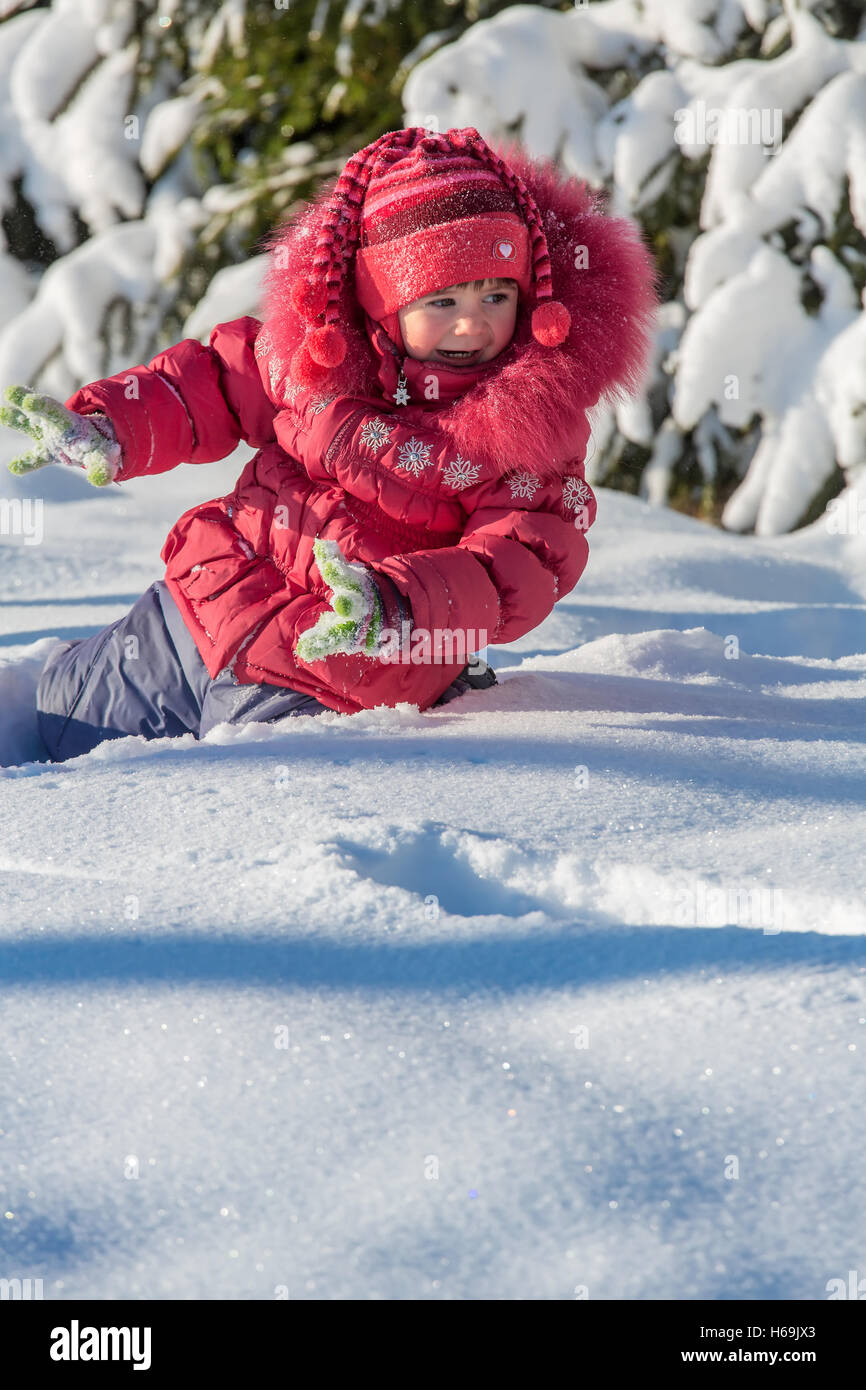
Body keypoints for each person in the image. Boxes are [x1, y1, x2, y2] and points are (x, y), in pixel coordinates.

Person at [1, 125, 659, 762]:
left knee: (192, 807)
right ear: (380, 302)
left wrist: (399, 606)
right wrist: (109, 426)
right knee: (60, 716)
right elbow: (210, 383)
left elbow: (519, 561)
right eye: (440, 299)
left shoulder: (528, 430)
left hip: (335, 666)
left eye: (495, 294)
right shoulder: (318, 359)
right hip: (206, 596)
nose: (471, 321)